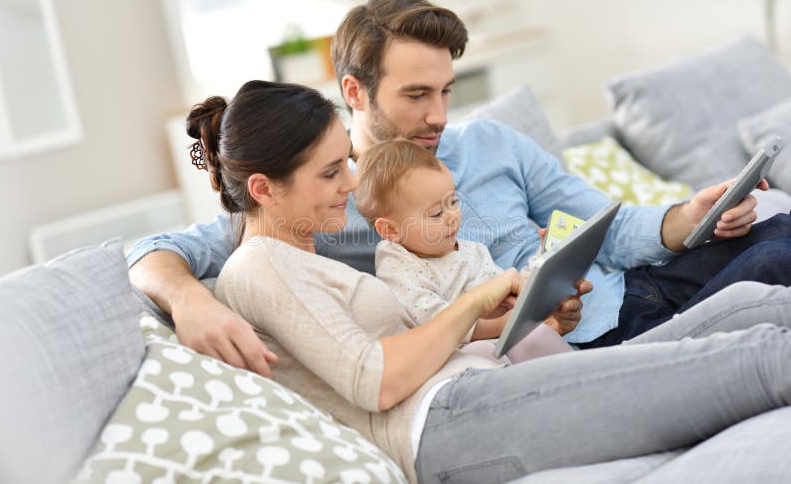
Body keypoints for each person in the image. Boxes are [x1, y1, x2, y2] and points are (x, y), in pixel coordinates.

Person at [127, 0, 791, 376]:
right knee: (775, 261)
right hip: (596, 341)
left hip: (641, 284)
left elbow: (606, 223)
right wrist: (189, 301)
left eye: (446, 91)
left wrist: (688, 217)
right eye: (417, 95)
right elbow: (155, 250)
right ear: (355, 92)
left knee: (778, 228)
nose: (440, 115)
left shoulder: (491, 143)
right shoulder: (319, 202)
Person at [189, 79, 791, 483]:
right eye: (330, 173)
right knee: (759, 359)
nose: (350, 183)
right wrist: (478, 299)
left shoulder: (307, 256)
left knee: (751, 303)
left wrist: (516, 312)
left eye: (346, 160)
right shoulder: (259, 266)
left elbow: (420, 340)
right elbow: (376, 379)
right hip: (445, 422)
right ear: (264, 189)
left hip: (489, 378)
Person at [354, 138, 574, 363]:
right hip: (445, 357)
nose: (452, 216)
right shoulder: (398, 265)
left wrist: (544, 259)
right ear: (391, 230)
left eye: (453, 202)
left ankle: (582, 375)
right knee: (482, 353)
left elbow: (509, 293)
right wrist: (500, 325)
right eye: (436, 214)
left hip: (498, 340)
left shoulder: (471, 251)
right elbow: (434, 321)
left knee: (537, 336)